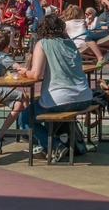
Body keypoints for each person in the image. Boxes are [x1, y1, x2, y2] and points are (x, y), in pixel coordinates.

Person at [17, 14, 94, 161]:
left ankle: (55, 146)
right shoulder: (70, 43)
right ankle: (46, 146)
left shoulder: (42, 43)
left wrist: (24, 71)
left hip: (61, 98)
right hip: (84, 97)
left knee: (25, 118)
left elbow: (37, 74)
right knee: (47, 109)